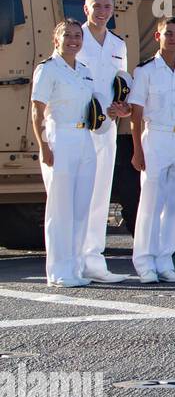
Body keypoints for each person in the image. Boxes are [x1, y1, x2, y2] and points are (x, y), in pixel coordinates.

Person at [30, 20, 110, 287]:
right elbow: (37, 110)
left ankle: (75, 268)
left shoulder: (84, 71)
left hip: (84, 136)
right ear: (56, 40)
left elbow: (96, 104)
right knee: (60, 208)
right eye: (67, 36)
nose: (73, 40)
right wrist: (44, 147)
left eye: (77, 36)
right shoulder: (47, 69)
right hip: (59, 135)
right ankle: (58, 271)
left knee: (80, 208)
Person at [129, 17, 175, 283]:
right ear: (158, 36)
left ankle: (165, 259)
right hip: (155, 137)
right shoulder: (146, 71)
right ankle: (145, 262)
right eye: (168, 33)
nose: (174, 38)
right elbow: (135, 114)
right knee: (151, 203)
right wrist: (137, 149)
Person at [78, 0, 132, 284]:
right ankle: (71, 259)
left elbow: (120, 83)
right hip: (79, 126)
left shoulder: (117, 45)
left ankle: (94, 261)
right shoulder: (75, 39)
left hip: (107, 126)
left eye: (107, 6)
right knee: (77, 196)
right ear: (86, 9)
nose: (102, 11)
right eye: (96, 6)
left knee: (100, 194)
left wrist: (121, 106)